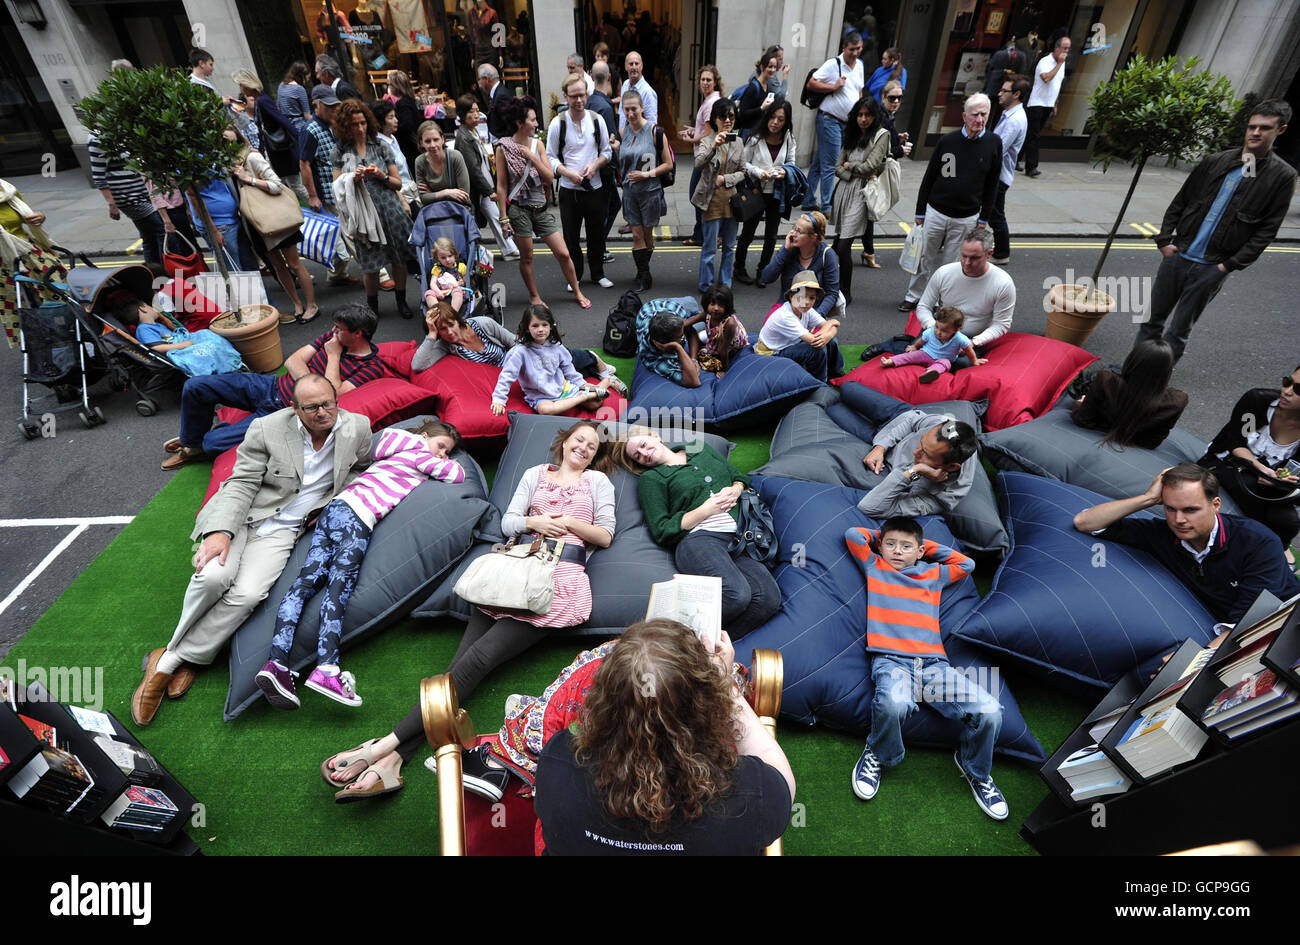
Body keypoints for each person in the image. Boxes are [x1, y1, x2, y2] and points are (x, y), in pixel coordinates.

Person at [321, 421, 617, 801]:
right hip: (512, 571)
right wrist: (534, 521)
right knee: (458, 671)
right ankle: (394, 759)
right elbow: (507, 520)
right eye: (580, 439)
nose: (585, 448)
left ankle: (383, 746)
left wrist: (571, 523)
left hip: (557, 584)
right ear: (564, 442)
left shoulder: (598, 483)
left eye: (592, 446)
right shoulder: (534, 474)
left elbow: (605, 535)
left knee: (476, 661)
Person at [131, 374, 372, 726]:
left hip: (285, 531)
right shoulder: (266, 428)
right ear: (295, 408)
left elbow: (360, 468)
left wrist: (330, 503)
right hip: (246, 516)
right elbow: (241, 484)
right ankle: (177, 661)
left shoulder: (357, 428)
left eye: (328, 403)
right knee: (214, 577)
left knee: (247, 595)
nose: (323, 412)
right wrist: (220, 532)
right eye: (312, 407)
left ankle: (170, 658)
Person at [534, 620, 794, 855]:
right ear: (706, 706)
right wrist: (725, 682)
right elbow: (782, 779)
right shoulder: (747, 793)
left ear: (603, 699)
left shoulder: (557, 762)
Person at [256, 420, 466, 711]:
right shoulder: (419, 454)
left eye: (448, 452)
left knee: (303, 585)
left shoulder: (394, 449)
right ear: (425, 436)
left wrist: (427, 445)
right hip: (356, 519)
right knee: (338, 589)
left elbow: (383, 441)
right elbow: (457, 475)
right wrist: (426, 448)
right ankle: (327, 668)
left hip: (334, 511)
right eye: (442, 446)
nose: (443, 455)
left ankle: (277, 662)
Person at [844, 518, 1007, 820]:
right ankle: (879, 754)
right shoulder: (875, 566)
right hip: (891, 661)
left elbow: (967, 564)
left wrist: (922, 548)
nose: (896, 551)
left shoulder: (933, 574)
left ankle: (975, 769)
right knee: (893, 704)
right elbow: (854, 535)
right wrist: (882, 539)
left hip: (934, 666)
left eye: (906, 547)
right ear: (880, 545)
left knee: (991, 711)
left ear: (920, 551)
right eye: (890, 544)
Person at [1135, 99, 1295, 362]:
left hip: (1212, 266)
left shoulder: (1282, 176)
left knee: (1178, 332)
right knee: (1151, 322)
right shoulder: (1216, 161)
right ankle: (1133, 374)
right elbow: (1182, 200)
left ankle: (1154, 386)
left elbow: (1267, 230)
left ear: (1281, 130)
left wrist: (1227, 266)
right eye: (1252, 126)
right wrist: (1164, 240)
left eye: (1264, 128)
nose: (1255, 132)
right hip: (1178, 255)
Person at [161, 304, 391, 469]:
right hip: (269, 385)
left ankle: (199, 442)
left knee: (212, 444)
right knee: (195, 386)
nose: (333, 332)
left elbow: (334, 395)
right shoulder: (333, 337)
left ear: (358, 334)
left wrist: (332, 356)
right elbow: (292, 361)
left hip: (285, 409)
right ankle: (191, 443)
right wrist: (312, 385)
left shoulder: (371, 366)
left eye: (339, 328)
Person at [1073, 463, 1300, 627]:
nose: (1179, 519)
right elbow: (1084, 522)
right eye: (1170, 508)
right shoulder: (1162, 533)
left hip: (1281, 620)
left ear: (1216, 505)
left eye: (1191, 510)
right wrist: (1147, 499)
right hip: (1224, 623)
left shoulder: (1257, 542)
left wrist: (1188, 666)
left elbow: (1245, 622)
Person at [615, 429, 782, 638]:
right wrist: (705, 510)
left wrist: (736, 489)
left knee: (769, 599)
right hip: (699, 541)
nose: (644, 454)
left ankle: (709, 653)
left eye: (642, 445)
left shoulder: (698, 447)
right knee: (737, 594)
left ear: (654, 436)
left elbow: (739, 477)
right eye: (637, 456)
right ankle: (673, 642)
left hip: (737, 539)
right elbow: (661, 530)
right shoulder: (651, 479)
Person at [899, 93, 1001, 312]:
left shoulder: (994, 143)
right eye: (975, 115)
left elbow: (993, 184)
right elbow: (929, 177)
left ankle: (939, 302)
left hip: (967, 216)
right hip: (936, 211)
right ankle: (913, 296)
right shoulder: (948, 140)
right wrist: (920, 211)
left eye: (984, 114)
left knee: (952, 264)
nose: (980, 120)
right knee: (923, 259)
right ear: (964, 116)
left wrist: (984, 218)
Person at [1196, 364, 1300, 562]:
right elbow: (1238, 442)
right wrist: (1261, 469)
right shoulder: (1258, 403)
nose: (1287, 391)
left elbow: (1291, 471)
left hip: (1267, 482)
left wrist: (1283, 478)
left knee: (1289, 521)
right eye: (1288, 382)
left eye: (1298, 389)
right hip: (1226, 462)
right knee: (1252, 489)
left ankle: (1276, 551)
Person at [494, 97, 591, 309]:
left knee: (563, 254)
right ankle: (534, 296)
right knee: (527, 257)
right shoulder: (503, 148)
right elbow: (501, 186)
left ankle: (577, 290)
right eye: (533, 120)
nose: (537, 124)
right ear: (520, 123)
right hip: (519, 210)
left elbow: (549, 177)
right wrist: (503, 218)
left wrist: (533, 156)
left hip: (541, 208)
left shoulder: (537, 144)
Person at [412, 300, 624, 389]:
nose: (449, 332)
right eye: (442, 330)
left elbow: (516, 341)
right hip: (512, 373)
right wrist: (431, 334)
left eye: (450, 325)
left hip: (523, 356)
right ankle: (591, 369)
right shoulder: (444, 346)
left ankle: (596, 361)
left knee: (565, 359)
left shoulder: (482, 324)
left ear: (457, 320)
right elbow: (417, 365)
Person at [330, 99, 414, 319]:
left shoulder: (381, 145)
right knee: (370, 264)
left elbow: (397, 183)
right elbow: (336, 187)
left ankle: (401, 300)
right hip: (364, 216)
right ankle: (372, 307)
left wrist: (381, 175)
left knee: (399, 259)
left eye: (363, 123)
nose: (360, 128)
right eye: (354, 124)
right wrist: (352, 177)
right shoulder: (339, 151)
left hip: (390, 209)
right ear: (344, 126)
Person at [230, 124, 318, 323]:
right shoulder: (227, 166)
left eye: (230, 143)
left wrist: (249, 179)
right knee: (278, 267)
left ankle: (312, 305)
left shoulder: (252, 157)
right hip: (254, 222)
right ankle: (297, 304)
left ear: (238, 140)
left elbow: (276, 185)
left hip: (275, 218)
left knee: (294, 264)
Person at [850, 386, 980, 519]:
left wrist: (915, 471)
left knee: (835, 410)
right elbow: (912, 419)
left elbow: (869, 507)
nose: (915, 452)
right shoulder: (946, 428)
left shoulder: (943, 496)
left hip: (873, 439)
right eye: (921, 442)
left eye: (926, 454)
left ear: (952, 466)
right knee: (848, 388)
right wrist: (880, 447)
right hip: (897, 420)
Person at [547, 74, 614, 291]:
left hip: (594, 188)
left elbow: (606, 152)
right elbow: (550, 157)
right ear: (565, 96)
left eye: (582, 95)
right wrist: (567, 173)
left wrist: (594, 166)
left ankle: (598, 274)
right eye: (574, 96)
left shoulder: (597, 120)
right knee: (571, 237)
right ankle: (574, 277)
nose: (579, 100)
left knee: (596, 234)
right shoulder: (558, 124)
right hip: (569, 191)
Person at [490, 304, 614, 416]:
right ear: (527, 328)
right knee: (546, 410)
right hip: (539, 395)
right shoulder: (520, 352)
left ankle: (608, 380)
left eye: (544, 325)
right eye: (535, 325)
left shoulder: (556, 346)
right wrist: (499, 399)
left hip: (562, 388)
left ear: (550, 326)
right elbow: (507, 376)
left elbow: (568, 368)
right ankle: (582, 397)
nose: (540, 329)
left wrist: (581, 384)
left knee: (595, 404)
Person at [912, 227, 1016, 355]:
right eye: (964, 256)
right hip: (938, 332)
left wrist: (974, 342)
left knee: (961, 364)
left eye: (974, 258)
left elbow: (1001, 324)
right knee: (911, 353)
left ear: (989, 253)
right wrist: (934, 328)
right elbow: (923, 307)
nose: (967, 263)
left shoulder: (1003, 283)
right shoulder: (944, 273)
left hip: (971, 339)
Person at [1070, 339, 1188, 449]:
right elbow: (1152, 442)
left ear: (1131, 361)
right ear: (1167, 371)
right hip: (1138, 445)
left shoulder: (1106, 380)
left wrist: (1079, 404)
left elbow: (1082, 420)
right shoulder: (1177, 402)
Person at [830, 96, 889, 304]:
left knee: (844, 246)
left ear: (875, 117)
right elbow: (837, 168)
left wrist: (850, 167)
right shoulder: (852, 135)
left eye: (868, 115)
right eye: (860, 115)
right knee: (837, 243)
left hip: (862, 194)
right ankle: (831, 286)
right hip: (844, 190)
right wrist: (853, 170)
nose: (863, 119)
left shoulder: (882, 136)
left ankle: (846, 293)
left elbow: (870, 166)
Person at [803, 30, 866, 215]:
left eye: (859, 48)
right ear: (844, 47)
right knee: (831, 164)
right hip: (829, 120)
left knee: (819, 163)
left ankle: (808, 199)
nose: (855, 53)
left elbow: (859, 91)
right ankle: (827, 207)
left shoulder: (860, 65)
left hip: (846, 123)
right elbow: (811, 84)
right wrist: (833, 86)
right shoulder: (833, 64)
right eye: (852, 49)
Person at [735, 100, 796, 287]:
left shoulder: (789, 138)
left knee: (771, 235)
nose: (775, 122)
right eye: (772, 117)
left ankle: (763, 271)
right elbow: (743, 162)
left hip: (777, 193)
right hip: (756, 191)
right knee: (748, 232)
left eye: (780, 119)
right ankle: (739, 268)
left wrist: (785, 171)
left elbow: (792, 162)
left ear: (786, 122)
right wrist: (758, 172)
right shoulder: (755, 137)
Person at [617, 90, 674, 291]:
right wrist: (616, 149)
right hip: (630, 193)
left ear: (642, 108)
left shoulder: (655, 132)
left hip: (650, 192)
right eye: (627, 109)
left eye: (634, 108)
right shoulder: (623, 133)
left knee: (647, 236)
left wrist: (646, 175)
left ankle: (643, 270)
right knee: (636, 235)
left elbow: (668, 164)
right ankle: (644, 275)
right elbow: (625, 160)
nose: (631, 113)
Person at [298, 85, 354, 287]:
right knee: (349, 235)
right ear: (316, 105)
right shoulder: (310, 130)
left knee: (339, 236)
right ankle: (379, 274)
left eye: (335, 106)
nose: (333, 110)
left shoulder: (332, 125)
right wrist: (312, 196)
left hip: (341, 188)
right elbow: (304, 164)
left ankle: (338, 275)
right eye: (328, 107)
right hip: (327, 192)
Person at [0, 180, 66, 349]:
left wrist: (40, 217)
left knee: (58, 289)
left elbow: (26, 216)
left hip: (29, 250)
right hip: (3, 262)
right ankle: (38, 347)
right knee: (20, 307)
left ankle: (69, 334)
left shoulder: (7, 191)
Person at [453, 94, 519, 260]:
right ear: (462, 114)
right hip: (477, 188)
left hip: (484, 185)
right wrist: (489, 190)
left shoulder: (472, 132)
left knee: (495, 216)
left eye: (477, 111)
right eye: (471, 112)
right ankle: (505, 250)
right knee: (483, 219)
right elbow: (473, 169)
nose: (476, 115)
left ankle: (508, 249)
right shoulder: (463, 138)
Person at [88, 133, 168, 268]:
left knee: (149, 235)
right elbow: (98, 176)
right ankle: (162, 270)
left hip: (143, 192)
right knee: (160, 230)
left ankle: (154, 272)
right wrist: (112, 204)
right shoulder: (96, 138)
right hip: (129, 196)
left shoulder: (116, 130)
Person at [691, 99, 747, 293]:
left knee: (730, 247)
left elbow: (743, 171)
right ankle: (706, 285)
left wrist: (726, 179)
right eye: (723, 116)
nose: (728, 120)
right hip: (712, 201)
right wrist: (714, 146)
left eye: (731, 116)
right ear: (715, 119)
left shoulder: (738, 142)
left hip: (731, 201)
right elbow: (698, 164)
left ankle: (725, 284)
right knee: (709, 248)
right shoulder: (707, 140)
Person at [185, 127, 259, 273]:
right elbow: (192, 195)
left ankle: (262, 297)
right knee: (235, 271)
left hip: (233, 220)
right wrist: (213, 231)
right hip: (219, 225)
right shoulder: (193, 160)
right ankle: (242, 297)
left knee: (250, 268)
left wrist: (249, 152)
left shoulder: (214, 155)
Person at [110, 296, 243, 376]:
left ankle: (230, 362)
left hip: (181, 342)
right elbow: (156, 347)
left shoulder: (156, 325)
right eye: (149, 306)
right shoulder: (144, 329)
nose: (154, 309)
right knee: (206, 346)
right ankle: (224, 368)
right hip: (176, 349)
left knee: (206, 334)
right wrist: (182, 345)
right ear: (143, 309)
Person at [755, 269, 842, 382]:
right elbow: (814, 340)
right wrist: (830, 325)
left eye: (812, 298)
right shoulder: (785, 316)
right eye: (802, 296)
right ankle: (819, 383)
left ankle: (836, 373)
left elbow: (832, 326)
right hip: (772, 354)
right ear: (791, 297)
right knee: (816, 349)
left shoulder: (806, 310)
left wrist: (829, 331)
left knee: (831, 340)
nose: (807, 302)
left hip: (789, 344)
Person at [861, 78, 912, 268]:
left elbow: (887, 141)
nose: (896, 102)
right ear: (883, 97)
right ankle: (856, 251)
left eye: (899, 98)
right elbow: (879, 150)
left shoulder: (888, 115)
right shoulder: (881, 118)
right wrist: (900, 150)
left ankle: (867, 251)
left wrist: (898, 138)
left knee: (868, 211)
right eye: (892, 98)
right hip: (871, 172)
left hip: (876, 172)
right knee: (867, 210)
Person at [759, 211, 843, 321]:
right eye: (794, 228)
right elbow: (766, 277)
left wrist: (816, 317)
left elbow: (832, 293)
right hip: (786, 309)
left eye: (799, 231)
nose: (793, 233)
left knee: (828, 338)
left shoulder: (827, 255)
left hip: (813, 311)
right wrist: (785, 251)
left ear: (813, 237)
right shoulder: (788, 250)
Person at [880, 304, 985, 383]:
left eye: (944, 331)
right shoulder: (931, 331)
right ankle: (890, 361)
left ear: (956, 330)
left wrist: (974, 360)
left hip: (943, 359)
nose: (938, 332)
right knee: (910, 356)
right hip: (926, 353)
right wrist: (915, 346)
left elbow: (968, 349)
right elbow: (922, 340)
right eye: (937, 327)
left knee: (945, 364)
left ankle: (929, 373)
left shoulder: (960, 339)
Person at [677, 65, 722, 246]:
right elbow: (707, 130)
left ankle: (706, 235)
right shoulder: (711, 99)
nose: (705, 83)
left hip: (705, 157)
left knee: (697, 197)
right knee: (701, 196)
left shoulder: (711, 103)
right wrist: (694, 130)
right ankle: (700, 235)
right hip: (705, 156)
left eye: (708, 80)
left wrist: (692, 140)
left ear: (715, 81)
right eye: (703, 80)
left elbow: (709, 135)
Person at [233, 70, 299, 186]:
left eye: (241, 86)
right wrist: (261, 149)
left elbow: (282, 120)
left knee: (294, 185)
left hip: (281, 150)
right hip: (275, 150)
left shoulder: (262, 101)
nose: (241, 90)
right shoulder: (260, 100)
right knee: (284, 184)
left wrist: (301, 140)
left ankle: (315, 203)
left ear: (248, 85)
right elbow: (261, 129)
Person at [989, 74, 1029, 265]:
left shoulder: (1015, 120)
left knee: (995, 215)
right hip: (996, 175)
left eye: (1004, 91)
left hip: (998, 176)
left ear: (1016, 94)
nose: (999, 93)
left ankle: (1002, 253)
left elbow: (999, 150)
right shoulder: (1010, 115)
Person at [1023, 30, 1070, 178]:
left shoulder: (1061, 64)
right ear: (1057, 48)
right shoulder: (1045, 61)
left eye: (1068, 49)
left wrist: (1055, 103)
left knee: (1030, 134)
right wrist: (1060, 64)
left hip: (1048, 104)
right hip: (1037, 102)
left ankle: (1016, 158)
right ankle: (1031, 167)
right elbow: (1047, 78)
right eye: (1065, 48)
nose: (1067, 51)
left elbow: (1057, 84)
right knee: (1034, 135)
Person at [636, 296, 704, 388]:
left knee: (692, 302)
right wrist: (679, 348)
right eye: (680, 337)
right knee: (703, 325)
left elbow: (689, 330)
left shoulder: (676, 312)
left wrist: (693, 359)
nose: (683, 338)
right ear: (666, 343)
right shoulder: (652, 359)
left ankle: (698, 314)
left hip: (667, 305)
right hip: (652, 311)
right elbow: (694, 382)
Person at [413, 119, 472, 208]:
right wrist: (447, 192)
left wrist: (433, 194)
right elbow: (423, 198)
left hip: (459, 211)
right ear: (421, 143)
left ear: (442, 139)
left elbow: (464, 195)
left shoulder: (455, 156)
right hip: (436, 213)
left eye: (436, 139)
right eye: (427, 141)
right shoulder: (420, 162)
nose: (433, 145)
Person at [695, 284, 748, 377]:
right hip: (716, 336)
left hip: (730, 343)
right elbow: (686, 322)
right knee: (697, 336)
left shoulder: (729, 323)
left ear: (727, 307)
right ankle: (711, 345)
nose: (715, 308)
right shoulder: (707, 315)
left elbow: (723, 350)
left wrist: (724, 370)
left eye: (720, 305)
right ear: (706, 303)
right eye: (712, 304)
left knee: (715, 353)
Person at [384, 69, 423, 171]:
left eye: (389, 84)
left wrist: (393, 130)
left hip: (409, 147)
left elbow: (407, 125)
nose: (388, 87)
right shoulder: (408, 100)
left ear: (396, 86)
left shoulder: (403, 103)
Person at [736, 49, 779, 137]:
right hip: (748, 134)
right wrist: (762, 108)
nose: (773, 70)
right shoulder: (753, 88)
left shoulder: (766, 86)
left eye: (775, 67)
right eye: (770, 66)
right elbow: (743, 113)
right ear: (762, 67)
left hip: (757, 132)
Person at [618, 51, 657, 134]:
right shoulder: (625, 85)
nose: (634, 67)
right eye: (631, 64)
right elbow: (622, 114)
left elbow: (652, 125)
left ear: (641, 66)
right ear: (626, 67)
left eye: (637, 64)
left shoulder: (648, 92)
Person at [476, 63, 512, 141]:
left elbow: (510, 125)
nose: (478, 83)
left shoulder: (501, 96)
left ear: (486, 79)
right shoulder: (497, 93)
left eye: (479, 79)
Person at [276, 61, 312, 131]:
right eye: (308, 77)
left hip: (287, 128)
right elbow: (307, 116)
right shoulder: (299, 89)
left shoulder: (281, 85)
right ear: (301, 76)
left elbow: (278, 107)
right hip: (300, 127)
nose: (308, 80)